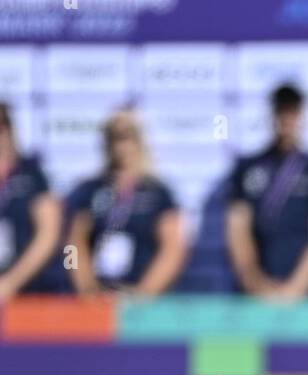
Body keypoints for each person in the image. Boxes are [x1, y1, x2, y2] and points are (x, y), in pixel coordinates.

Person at [226, 83, 308, 299]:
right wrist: (256, 285)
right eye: (281, 111)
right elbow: (237, 232)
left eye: (292, 112)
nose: (286, 119)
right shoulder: (247, 167)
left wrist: (295, 289)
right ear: (272, 114)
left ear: (301, 115)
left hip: (307, 296)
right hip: (255, 296)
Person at [66, 108, 186, 296]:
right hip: (98, 297)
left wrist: (144, 294)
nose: (120, 144)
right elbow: (72, 246)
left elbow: (173, 250)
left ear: (139, 140)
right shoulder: (90, 190)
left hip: (141, 298)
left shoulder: (158, 192)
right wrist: (86, 290)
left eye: (126, 136)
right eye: (114, 137)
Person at [0, 103, 60, 301]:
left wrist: (11, 282)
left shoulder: (31, 174)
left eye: (2, 126)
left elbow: (48, 235)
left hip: (27, 292)